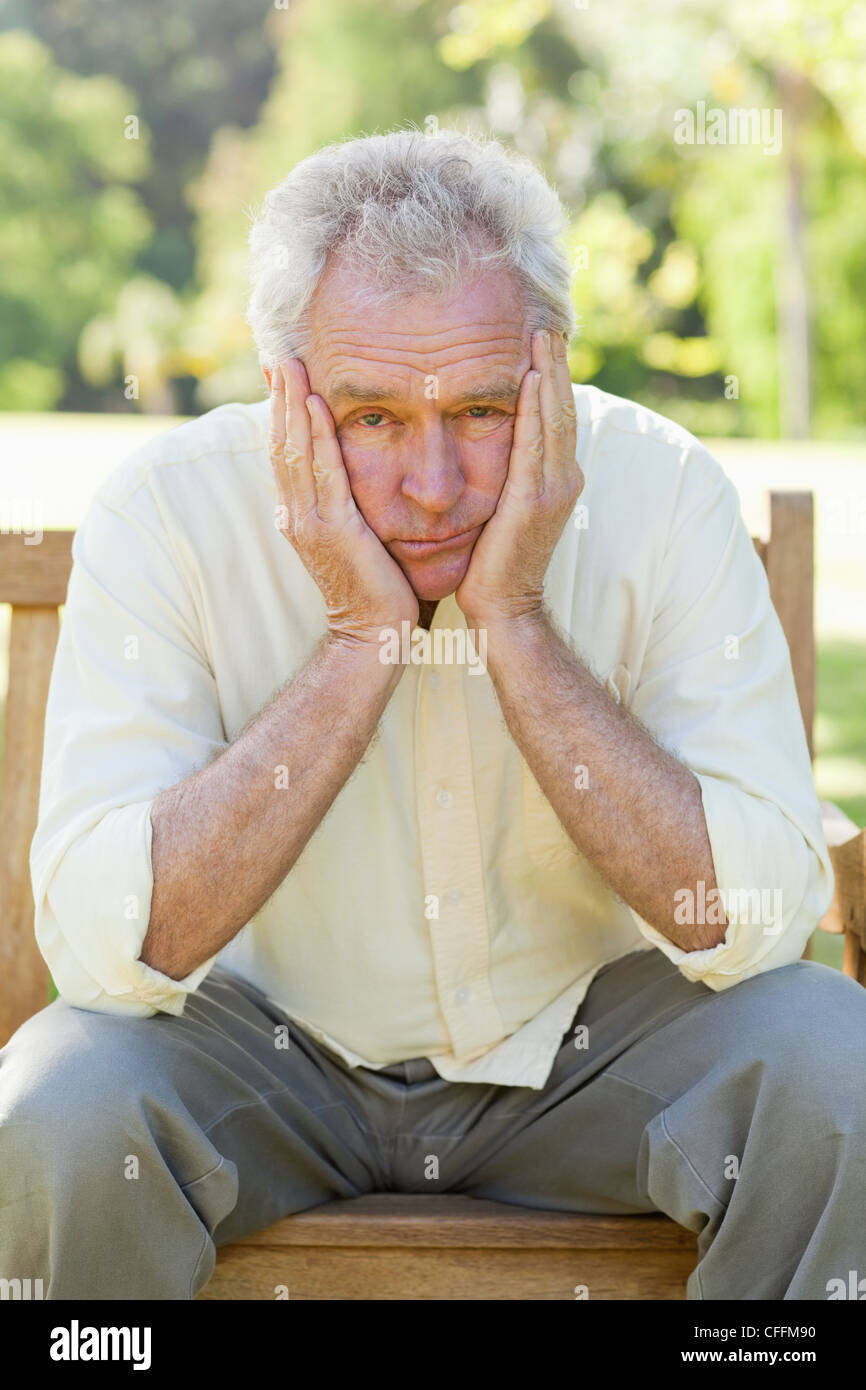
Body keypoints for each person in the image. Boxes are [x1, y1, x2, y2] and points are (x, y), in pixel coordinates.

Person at [1, 128, 863, 1302]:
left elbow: (760, 920)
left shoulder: (659, 491)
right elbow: (102, 952)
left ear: (549, 368)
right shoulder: (164, 515)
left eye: (480, 410)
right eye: (369, 419)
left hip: (591, 1058)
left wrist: (511, 617)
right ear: (283, 393)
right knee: (61, 1109)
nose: (433, 485)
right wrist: (363, 639)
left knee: (835, 1070)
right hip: (262, 1061)